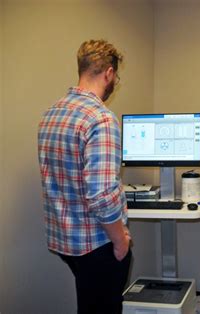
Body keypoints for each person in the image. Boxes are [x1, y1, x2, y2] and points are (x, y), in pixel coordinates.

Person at [37, 39, 131, 314]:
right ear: (109, 73)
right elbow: (102, 195)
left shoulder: (51, 114)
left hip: (66, 242)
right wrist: (120, 241)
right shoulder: (100, 118)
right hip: (97, 244)